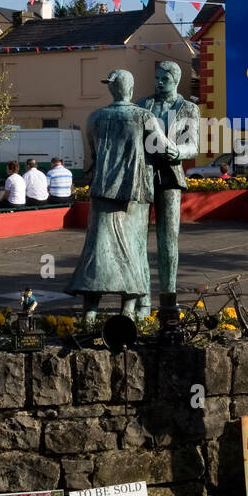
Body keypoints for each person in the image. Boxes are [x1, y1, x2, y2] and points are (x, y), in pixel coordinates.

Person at [67, 69, 168, 321]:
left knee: (96, 248)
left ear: (112, 88)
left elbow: (94, 153)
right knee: (132, 250)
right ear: (131, 89)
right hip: (134, 194)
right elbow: (163, 149)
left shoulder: (95, 117)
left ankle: (90, 311)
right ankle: (128, 310)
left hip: (103, 191)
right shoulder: (145, 117)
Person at [137, 60, 201, 324]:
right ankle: (140, 300)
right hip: (143, 176)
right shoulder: (144, 105)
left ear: (175, 79)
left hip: (171, 176)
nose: (158, 82)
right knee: (138, 239)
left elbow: (193, 146)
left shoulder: (188, 108)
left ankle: (168, 298)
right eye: (157, 77)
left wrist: (178, 151)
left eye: (164, 78)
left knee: (168, 240)